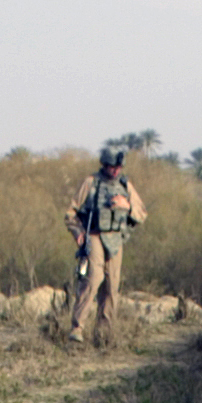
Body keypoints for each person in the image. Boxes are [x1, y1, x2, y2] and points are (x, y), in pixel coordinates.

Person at [67, 145, 147, 346]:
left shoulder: (125, 186)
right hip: (93, 236)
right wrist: (78, 233)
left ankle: (103, 334)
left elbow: (141, 213)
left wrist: (126, 206)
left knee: (112, 288)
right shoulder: (91, 183)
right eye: (112, 166)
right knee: (92, 279)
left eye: (119, 167)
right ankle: (77, 328)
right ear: (104, 165)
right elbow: (71, 214)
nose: (116, 170)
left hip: (116, 239)